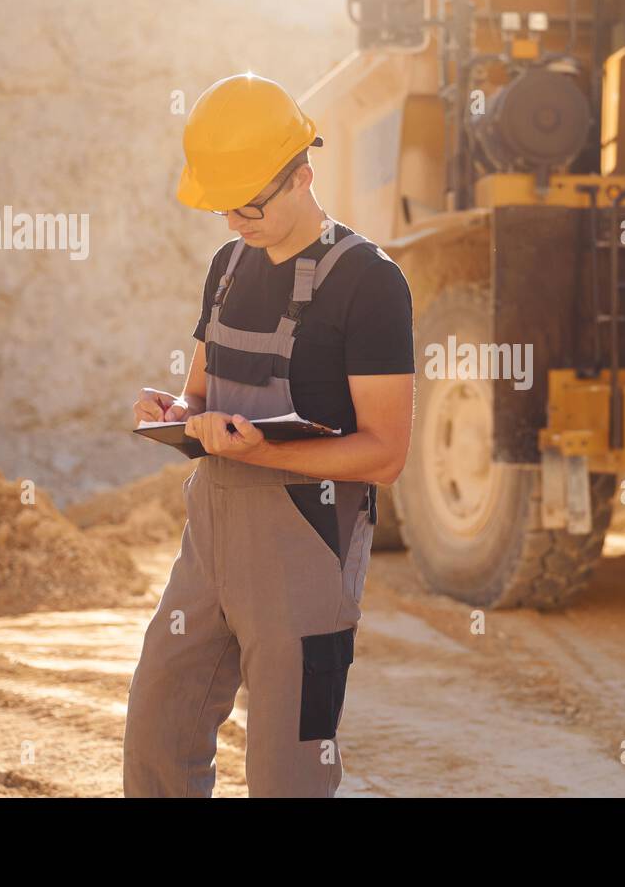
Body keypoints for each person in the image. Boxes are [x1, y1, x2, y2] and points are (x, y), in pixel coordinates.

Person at [123, 73, 415, 797]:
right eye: (222, 206)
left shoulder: (371, 283)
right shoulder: (226, 268)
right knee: (157, 732)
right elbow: (200, 391)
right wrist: (175, 413)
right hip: (211, 535)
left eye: (248, 204)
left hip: (307, 550)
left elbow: (386, 453)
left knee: (291, 772)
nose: (233, 222)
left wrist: (267, 450)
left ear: (302, 177)